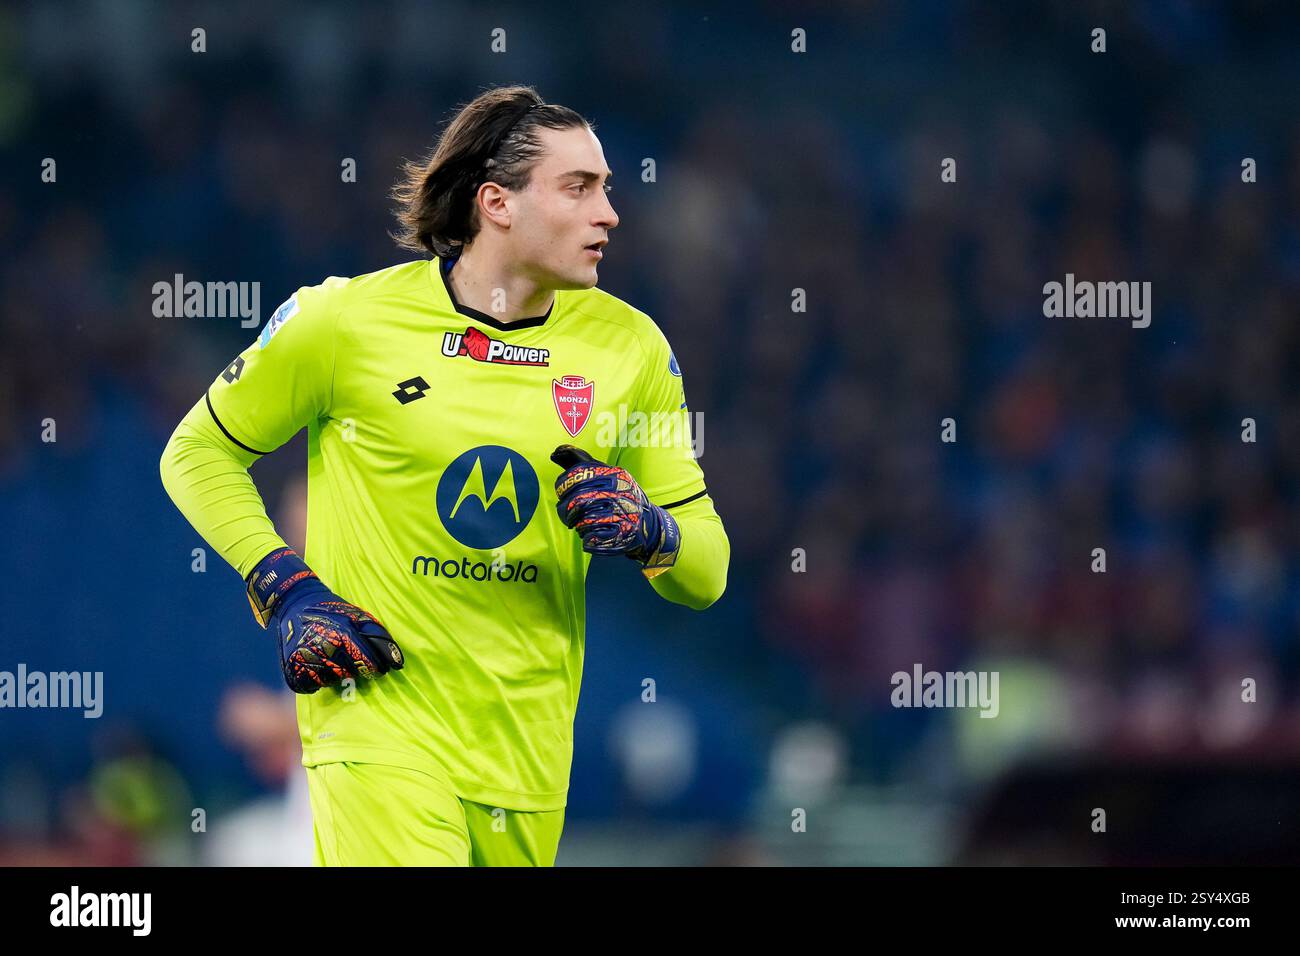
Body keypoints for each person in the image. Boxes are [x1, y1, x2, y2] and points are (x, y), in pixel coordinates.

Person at [159, 84, 729, 866]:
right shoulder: (341, 323)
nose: (610, 213)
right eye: (580, 187)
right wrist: (285, 585)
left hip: (525, 755)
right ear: (497, 202)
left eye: (607, 189)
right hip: (378, 726)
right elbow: (195, 453)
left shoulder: (631, 349)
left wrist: (651, 532)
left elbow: (705, 570)